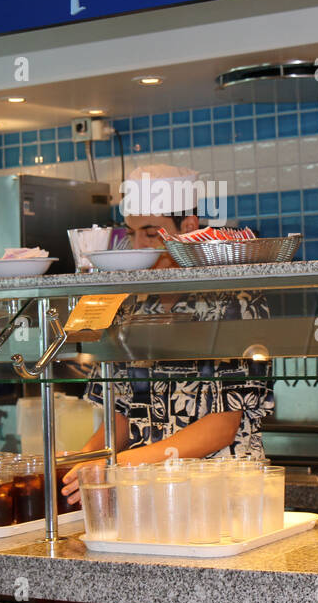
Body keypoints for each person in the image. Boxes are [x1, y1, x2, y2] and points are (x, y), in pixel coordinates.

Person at [60, 165, 273, 506]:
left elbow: (223, 425)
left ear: (188, 227)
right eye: (131, 234)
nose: (138, 246)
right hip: (149, 498)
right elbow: (121, 413)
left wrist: (118, 464)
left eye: (150, 233)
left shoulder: (233, 298)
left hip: (225, 497)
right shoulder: (129, 304)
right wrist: (82, 461)